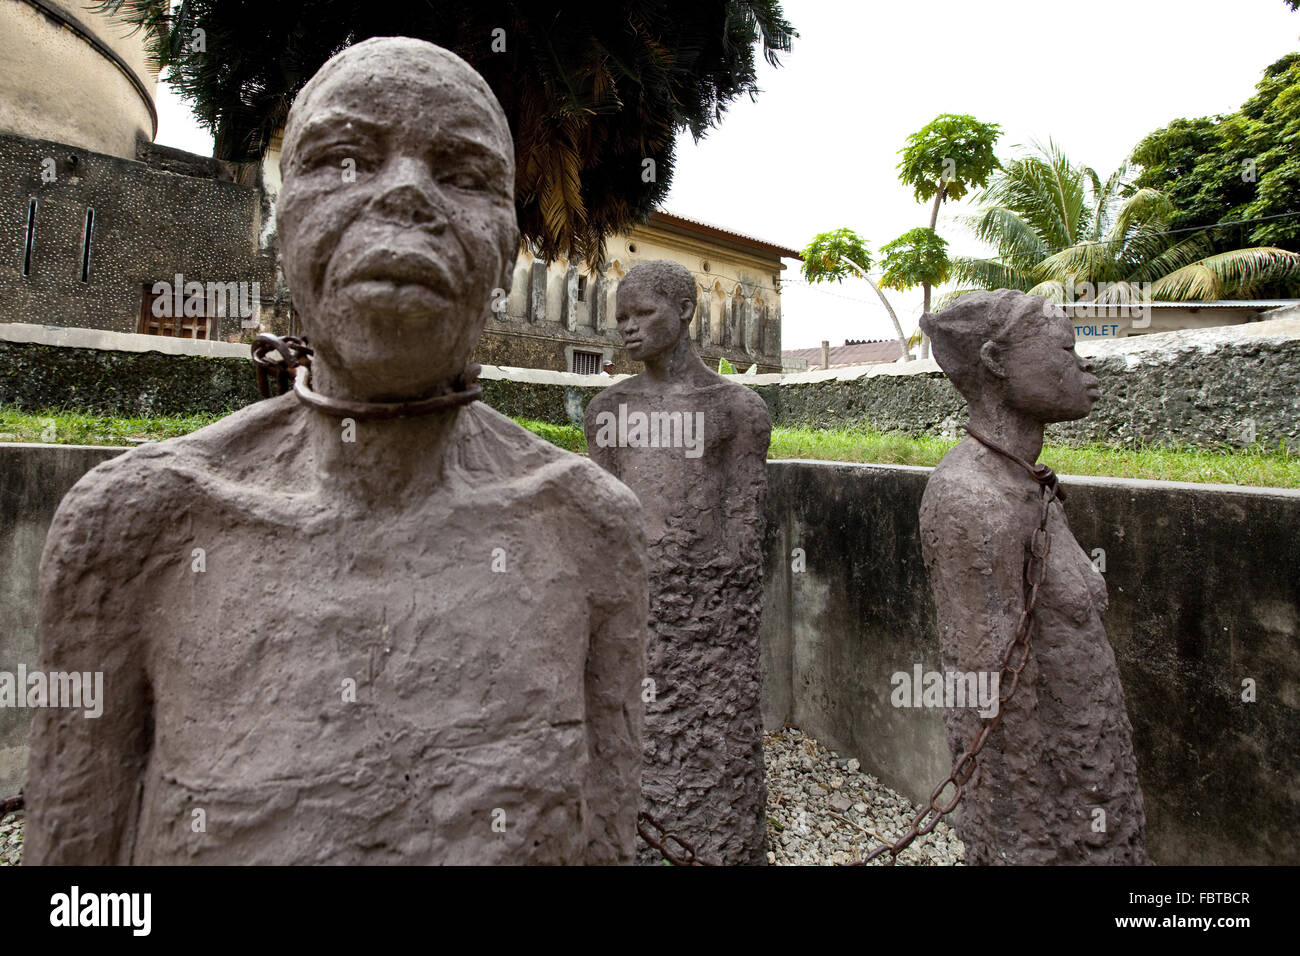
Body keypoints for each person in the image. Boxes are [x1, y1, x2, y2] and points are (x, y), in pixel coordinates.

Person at [24, 37, 647, 865]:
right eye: (346, 157)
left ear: (506, 251)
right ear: (281, 230)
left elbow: (606, 837)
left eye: (463, 174)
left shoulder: (592, 530)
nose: (404, 195)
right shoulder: (132, 528)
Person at [918, 289, 1149, 864]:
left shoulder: (1029, 483)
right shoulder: (970, 499)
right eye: (1065, 350)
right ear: (997, 362)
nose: (1083, 365)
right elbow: (986, 699)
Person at [584, 260, 771, 864]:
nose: (628, 329)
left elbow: (744, 529)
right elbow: (606, 528)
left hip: (709, 631)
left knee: (706, 753)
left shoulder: (737, 409)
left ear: (686, 311)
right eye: (621, 318)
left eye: (644, 314)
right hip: (640, 617)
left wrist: (707, 621)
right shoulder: (608, 412)